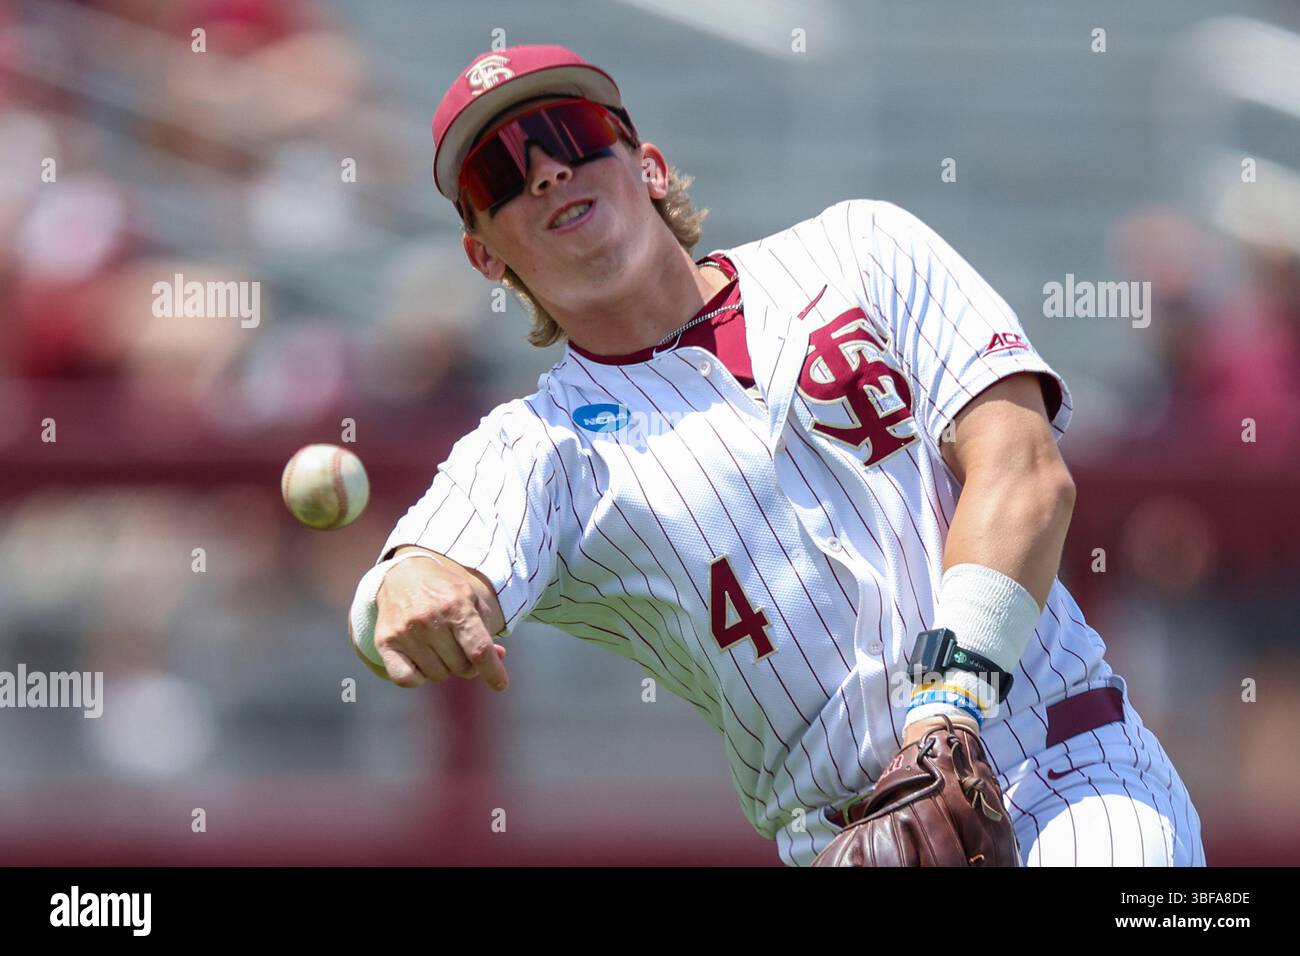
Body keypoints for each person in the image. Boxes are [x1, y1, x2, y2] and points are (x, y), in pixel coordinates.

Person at [348, 44, 1205, 867]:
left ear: (646, 165)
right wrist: (410, 585)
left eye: (569, 134)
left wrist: (947, 709)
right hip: (857, 837)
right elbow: (418, 573)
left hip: (1066, 763)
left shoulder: (861, 249)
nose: (544, 170)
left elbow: (1023, 467)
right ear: (484, 253)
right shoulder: (541, 447)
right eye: (497, 173)